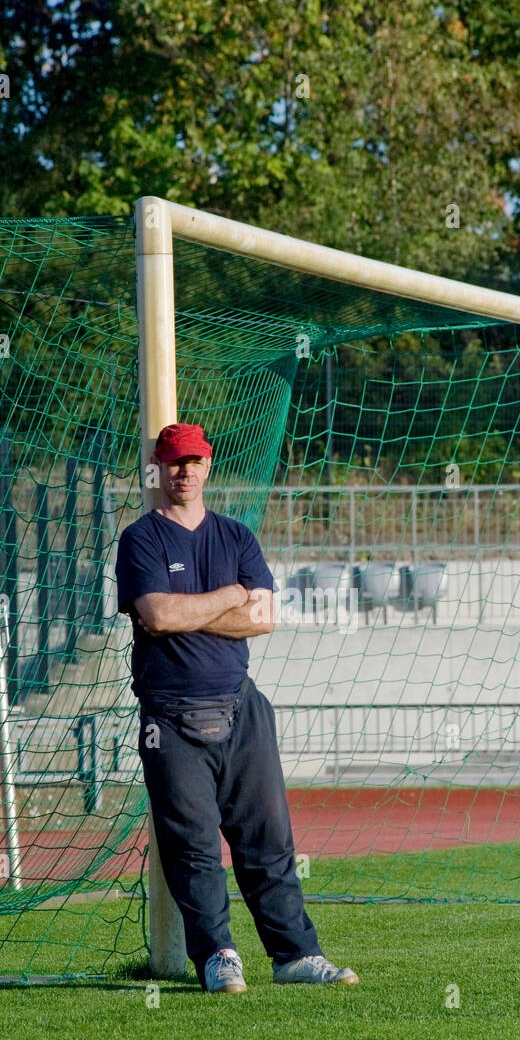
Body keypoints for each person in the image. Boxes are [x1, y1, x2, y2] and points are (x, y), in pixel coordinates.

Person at [115, 421, 359, 994]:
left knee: (268, 841)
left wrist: (191, 611)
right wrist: (228, 597)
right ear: (159, 467)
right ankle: (218, 956)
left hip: (241, 707)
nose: (185, 472)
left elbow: (265, 617)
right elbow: (157, 617)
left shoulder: (236, 537)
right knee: (193, 846)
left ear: (209, 464)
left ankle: (295, 956)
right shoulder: (142, 539)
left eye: (194, 461)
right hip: (169, 714)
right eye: (174, 462)